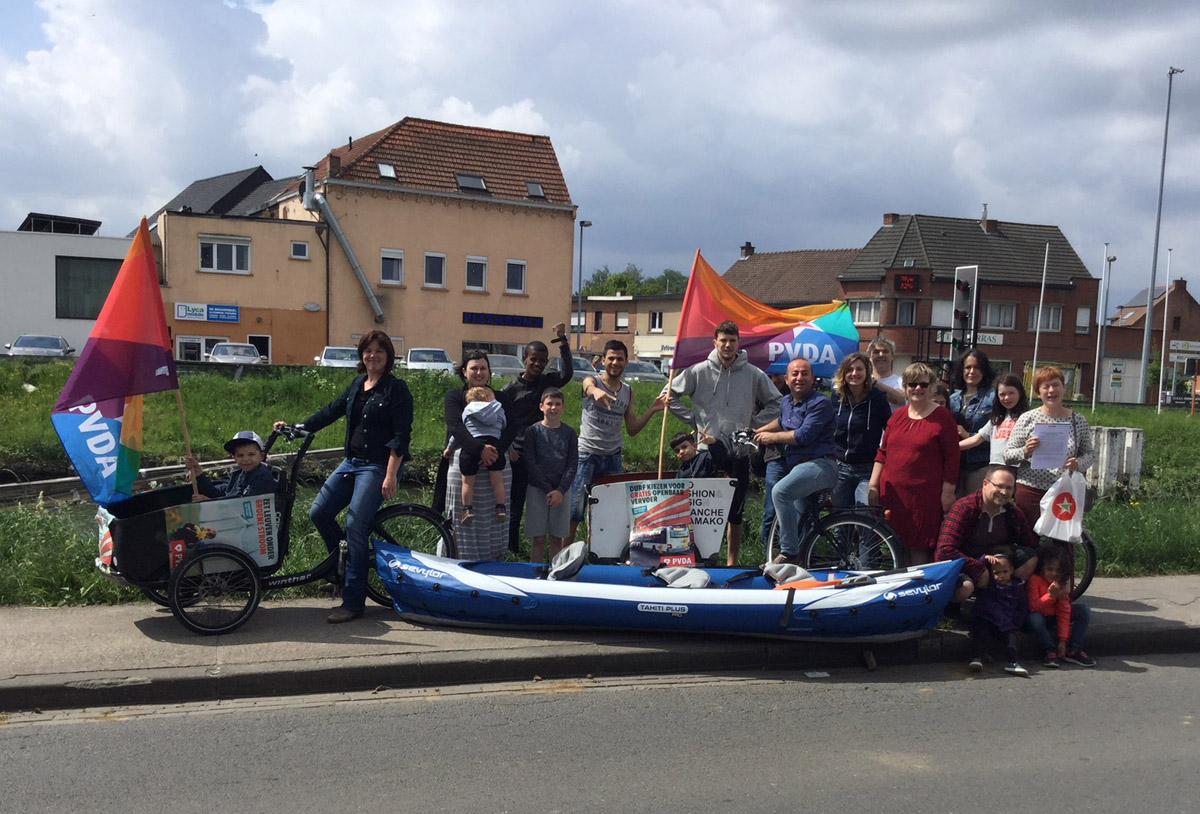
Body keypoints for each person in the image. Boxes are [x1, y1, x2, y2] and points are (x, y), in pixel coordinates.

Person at [276, 331, 412, 623]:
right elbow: (330, 412)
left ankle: (353, 600)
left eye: (379, 351)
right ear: (361, 355)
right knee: (319, 512)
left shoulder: (396, 389)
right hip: (352, 462)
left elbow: (401, 437)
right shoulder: (357, 385)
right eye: (368, 350)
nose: (373, 355)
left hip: (378, 466)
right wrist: (297, 427)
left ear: (388, 357)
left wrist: (391, 476)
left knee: (355, 526)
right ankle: (340, 568)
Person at [666, 321, 782, 565]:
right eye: (723, 340)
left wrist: (754, 424)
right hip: (706, 453)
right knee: (702, 512)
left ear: (738, 343)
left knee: (735, 514)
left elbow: (777, 402)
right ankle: (700, 558)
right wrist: (692, 419)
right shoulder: (698, 371)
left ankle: (731, 563)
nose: (728, 345)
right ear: (715, 342)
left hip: (739, 452)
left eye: (732, 341)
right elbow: (669, 395)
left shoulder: (753, 373)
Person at [570, 340, 669, 540]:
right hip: (587, 455)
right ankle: (563, 554)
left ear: (626, 362)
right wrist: (596, 392)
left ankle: (601, 553)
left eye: (620, 359)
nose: (615, 362)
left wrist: (651, 410)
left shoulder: (629, 391)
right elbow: (587, 386)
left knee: (611, 512)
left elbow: (632, 429)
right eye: (611, 358)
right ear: (603, 360)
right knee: (574, 511)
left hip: (613, 457)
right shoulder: (594, 381)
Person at [868, 362, 960, 566]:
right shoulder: (898, 416)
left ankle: (917, 593)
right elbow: (883, 452)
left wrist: (948, 490)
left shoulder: (943, 417)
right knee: (895, 545)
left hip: (924, 496)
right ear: (905, 387)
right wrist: (874, 484)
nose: (918, 388)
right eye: (912, 384)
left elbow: (952, 457)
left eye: (923, 384)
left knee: (918, 548)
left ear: (932, 386)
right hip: (893, 494)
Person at [753, 358, 837, 565]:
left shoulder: (821, 403)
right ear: (786, 379)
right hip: (800, 468)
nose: (799, 378)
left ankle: (789, 553)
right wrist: (758, 431)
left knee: (781, 492)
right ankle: (802, 563)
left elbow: (803, 436)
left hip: (821, 465)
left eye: (804, 373)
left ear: (813, 377)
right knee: (798, 522)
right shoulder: (787, 402)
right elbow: (782, 421)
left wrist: (770, 438)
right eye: (795, 374)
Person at [502, 323, 573, 553]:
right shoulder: (510, 389)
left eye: (542, 361)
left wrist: (562, 341)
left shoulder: (548, 382)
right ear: (525, 358)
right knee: (515, 503)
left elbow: (568, 373)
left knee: (542, 501)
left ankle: (545, 549)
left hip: (543, 454)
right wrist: (509, 446)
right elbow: (503, 421)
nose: (538, 364)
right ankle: (512, 548)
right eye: (534, 359)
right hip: (518, 454)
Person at [444, 350, 519, 561]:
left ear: (489, 371)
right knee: (461, 515)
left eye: (483, 368)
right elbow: (456, 427)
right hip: (465, 461)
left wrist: (494, 452)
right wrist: (480, 450)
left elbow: (511, 427)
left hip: (498, 461)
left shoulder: (501, 397)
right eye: (473, 368)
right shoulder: (455, 397)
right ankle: (458, 561)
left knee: (494, 518)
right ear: (464, 372)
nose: (479, 372)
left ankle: (493, 564)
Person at [1003, 365, 1094, 525]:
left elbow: (1089, 454)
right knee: (1029, 540)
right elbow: (1008, 455)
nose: (1051, 390)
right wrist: (1025, 450)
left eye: (1055, 385)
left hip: (1064, 490)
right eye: (1046, 387)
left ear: (1064, 388)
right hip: (1031, 490)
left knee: (1063, 540)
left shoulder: (1077, 420)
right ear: (1039, 392)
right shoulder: (1027, 419)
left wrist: (1078, 464)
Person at [935, 464, 1040, 603]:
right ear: (985, 484)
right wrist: (978, 569)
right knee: (966, 587)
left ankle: (1004, 598)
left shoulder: (1014, 514)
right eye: (999, 486)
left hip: (997, 564)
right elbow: (944, 551)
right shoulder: (964, 508)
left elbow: (1030, 544)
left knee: (1030, 557)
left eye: (1009, 488)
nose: (1004, 492)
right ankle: (952, 612)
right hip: (965, 564)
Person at [522, 388, 578, 563]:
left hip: (562, 490)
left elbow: (572, 463)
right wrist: (548, 490)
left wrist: (560, 490)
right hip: (538, 489)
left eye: (557, 404)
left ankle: (555, 572)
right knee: (538, 538)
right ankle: (535, 573)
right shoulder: (532, 431)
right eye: (549, 404)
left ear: (563, 408)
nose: (553, 408)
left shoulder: (569, 433)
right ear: (541, 406)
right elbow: (530, 462)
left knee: (557, 538)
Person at [830, 352, 890, 509]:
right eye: (850, 369)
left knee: (864, 516)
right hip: (840, 467)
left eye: (859, 369)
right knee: (840, 519)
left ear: (867, 372)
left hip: (867, 468)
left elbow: (890, 431)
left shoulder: (877, 398)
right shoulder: (837, 397)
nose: (854, 374)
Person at [1025, 544, 1096, 668]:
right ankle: (1050, 650)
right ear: (1041, 568)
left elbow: (1064, 612)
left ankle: (1074, 649)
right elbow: (1033, 607)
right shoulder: (1034, 580)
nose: (1053, 573)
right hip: (1040, 616)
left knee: (1084, 610)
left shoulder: (1061, 583)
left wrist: (1063, 640)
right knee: (1034, 618)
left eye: (1058, 570)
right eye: (1049, 569)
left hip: (1054, 617)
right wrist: (1050, 596)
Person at [968, 553, 1031, 677]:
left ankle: (1012, 662)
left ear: (1012, 570)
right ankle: (977, 658)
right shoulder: (990, 584)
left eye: (1005, 572)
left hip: (1005, 623)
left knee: (1011, 638)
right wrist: (984, 558)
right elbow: (977, 568)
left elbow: (1022, 607)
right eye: (997, 573)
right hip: (987, 617)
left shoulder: (1018, 587)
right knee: (981, 631)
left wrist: (1017, 624)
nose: (1001, 576)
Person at [455, 386, 508, 526]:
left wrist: (449, 448)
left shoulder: (467, 411)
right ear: (487, 398)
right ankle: (501, 508)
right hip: (494, 446)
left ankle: (467, 509)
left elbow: (460, 433)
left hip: (472, 448)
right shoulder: (499, 410)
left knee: (467, 482)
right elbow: (504, 427)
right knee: (498, 482)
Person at [949, 348, 997, 495]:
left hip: (979, 465)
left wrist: (969, 435)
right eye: (968, 367)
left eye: (977, 367)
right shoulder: (953, 399)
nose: (972, 372)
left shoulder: (993, 398)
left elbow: (997, 434)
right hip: (955, 466)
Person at [183, 431, 275, 502]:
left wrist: (209, 502)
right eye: (240, 455)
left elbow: (245, 507)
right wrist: (199, 472)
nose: (246, 459)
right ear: (234, 458)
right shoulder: (238, 475)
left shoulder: (262, 476)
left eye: (251, 454)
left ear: (261, 456)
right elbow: (216, 492)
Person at [960, 374, 1030, 465]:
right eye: (1002, 394)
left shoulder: (1028, 417)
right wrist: (951, 447)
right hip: (995, 468)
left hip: (1017, 469)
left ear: (1020, 393)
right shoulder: (996, 419)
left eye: (1011, 393)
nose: (1006, 398)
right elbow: (976, 439)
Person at [866, 336, 906, 411]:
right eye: (876, 352)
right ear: (870, 357)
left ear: (892, 356)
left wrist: (874, 383)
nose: (881, 355)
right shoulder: (863, 382)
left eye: (885, 351)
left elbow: (899, 399)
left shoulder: (902, 382)